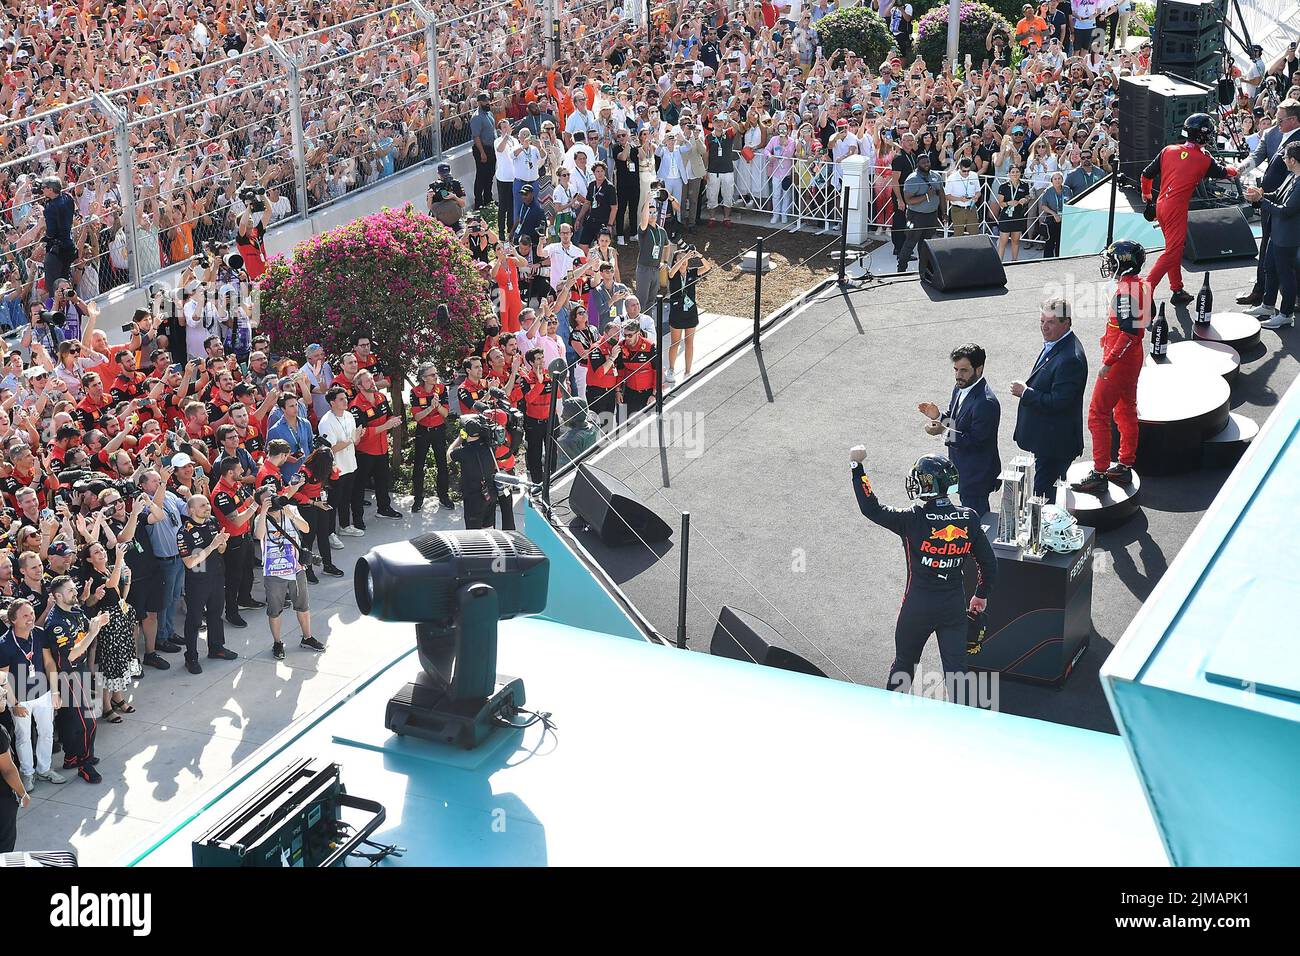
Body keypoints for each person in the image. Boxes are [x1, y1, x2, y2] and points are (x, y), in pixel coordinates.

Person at [850, 450, 996, 706]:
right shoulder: (969, 518)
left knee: (904, 665)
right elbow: (989, 563)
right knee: (957, 674)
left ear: (926, 485)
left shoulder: (911, 518)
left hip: (917, 607)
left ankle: (890, 719)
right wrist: (980, 595)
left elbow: (871, 508)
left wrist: (857, 467)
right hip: (953, 608)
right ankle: (964, 732)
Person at [1074, 242, 1151, 493]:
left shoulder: (1125, 292)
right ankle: (1125, 464)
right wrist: (1109, 337)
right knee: (1126, 409)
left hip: (1120, 362)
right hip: (1133, 358)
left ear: (1123, 262)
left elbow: (1129, 333)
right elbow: (1132, 329)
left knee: (1098, 414)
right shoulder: (1140, 284)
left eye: (1112, 260)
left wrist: (1109, 361)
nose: (1108, 264)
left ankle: (1099, 471)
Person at [1142, 113, 1239, 304]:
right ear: (1203, 135)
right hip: (1176, 209)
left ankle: (1177, 290)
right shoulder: (1204, 160)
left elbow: (1146, 175)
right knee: (1172, 252)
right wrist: (1239, 169)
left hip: (1161, 205)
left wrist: (1147, 196)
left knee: (1174, 250)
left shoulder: (1168, 150)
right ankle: (1146, 289)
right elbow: (1225, 173)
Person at [1010, 299, 1089, 496]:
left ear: (1066, 323)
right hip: (1048, 441)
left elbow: (1059, 402)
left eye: (1051, 322)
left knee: (1044, 498)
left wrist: (1026, 393)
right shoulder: (1057, 344)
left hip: (1056, 446)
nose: (1044, 327)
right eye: (1042, 321)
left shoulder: (1070, 358)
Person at [917, 344, 1002, 517]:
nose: (958, 376)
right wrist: (939, 416)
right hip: (964, 472)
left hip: (976, 477)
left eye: (964, 370)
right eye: (955, 369)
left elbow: (974, 441)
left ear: (979, 369)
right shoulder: (960, 388)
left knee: (976, 523)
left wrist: (943, 431)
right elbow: (956, 422)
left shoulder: (986, 403)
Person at [45, 574, 110, 783]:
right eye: (70, 590)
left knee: (73, 722)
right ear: (57, 596)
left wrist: (97, 623)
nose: (75, 593)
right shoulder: (55, 623)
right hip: (67, 676)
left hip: (79, 670)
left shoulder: (74, 610)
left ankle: (72, 757)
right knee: (88, 722)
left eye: (74, 588)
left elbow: (85, 630)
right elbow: (70, 654)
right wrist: (93, 632)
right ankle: (85, 763)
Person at [1237, 101, 1300, 308]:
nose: (1276, 123)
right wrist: (1241, 169)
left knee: (1289, 251)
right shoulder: (1272, 133)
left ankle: (1291, 299)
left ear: (1293, 120)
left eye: (1280, 119)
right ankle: (1262, 291)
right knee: (1267, 246)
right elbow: (1257, 155)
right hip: (1267, 199)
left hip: (1290, 201)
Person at [0, 598, 65, 795]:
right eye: (25, 615)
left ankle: (44, 769)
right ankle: (27, 773)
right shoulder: (4, 643)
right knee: (23, 736)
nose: (31, 618)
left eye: (31, 614)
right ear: (13, 620)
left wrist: (55, 691)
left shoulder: (39, 634)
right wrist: (15, 703)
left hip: (43, 693)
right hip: (20, 698)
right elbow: (3, 677)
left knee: (47, 732)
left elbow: (49, 663)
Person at [254, 486, 326, 661]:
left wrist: (290, 513)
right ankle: (277, 642)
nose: (273, 501)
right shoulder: (260, 518)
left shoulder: (290, 509)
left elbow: (307, 529)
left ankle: (307, 637)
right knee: (275, 610)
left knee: (303, 605)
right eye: (267, 499)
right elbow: (259, 535)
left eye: (273, 496)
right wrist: (263, 511)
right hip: (274, 571)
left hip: (296, 568)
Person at [1244, 142, 1300, 329]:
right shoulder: (1292, 176)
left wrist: (1261, 201)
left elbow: (1286, 211)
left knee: (1286, 276)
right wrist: (1261, 194)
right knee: (1270, 268)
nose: (1283, 159)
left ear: (1293, 160)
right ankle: (1268, 305)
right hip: (1277, 234)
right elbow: (1277, 194)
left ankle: (1286, 314)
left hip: (1288, 238)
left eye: (1285, 157)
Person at [349, 369, 403, 521]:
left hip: (382, 448)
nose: (372, 381)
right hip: (365, 452)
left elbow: (389, 414)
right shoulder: (355, 406)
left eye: (372, 379)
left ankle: (384, 508)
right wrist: (386, 426)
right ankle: (357, 519)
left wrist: (394, 420)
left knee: (383, 481)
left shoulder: (381, 396)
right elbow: (361, 432)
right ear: (359, 386)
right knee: (359, 486)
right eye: (367, 381)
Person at [317, 386, 364, 536]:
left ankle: (345, 526)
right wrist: (352, 439)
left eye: (346, 398)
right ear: (332, 402)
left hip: (351, 465)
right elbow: (329, 449)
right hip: (336, 469)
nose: (346, 401)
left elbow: (355, 442)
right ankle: (330, 534)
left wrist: (358, 436)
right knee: (333, 502)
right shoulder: (326, 422)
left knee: (346, 499)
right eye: (341, 399)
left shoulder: (349, 416)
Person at [449, 415, 507, 530]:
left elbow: (448, 454)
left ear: (465, 433)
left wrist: (460, 438)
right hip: (490, 494)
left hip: (474, 499)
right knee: (489, 529)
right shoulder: (490, 446)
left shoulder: (463, 452)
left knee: (474, 535)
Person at [409, 364, 455, 511]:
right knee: (419, 465)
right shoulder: (415, 392)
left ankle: (444, 496)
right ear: (423, 378)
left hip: (438, 430)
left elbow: (445, 413)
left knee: (442, 463)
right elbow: (417, 416)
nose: (436, 377)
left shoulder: (441, 389)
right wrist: (430, 407)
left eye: (436, 374)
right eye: (432, 375)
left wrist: (437, 406)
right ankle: (418, 498)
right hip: (423, 430)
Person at [898, 152, 945, 273]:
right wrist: (926, 196)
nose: (926, 164)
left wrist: (944, 213)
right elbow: (908, 200)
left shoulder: (936, 176)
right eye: (923, 162)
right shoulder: (912, 179)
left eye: (928, 162)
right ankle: (901, 268)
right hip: (916, 216)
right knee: (910, 243)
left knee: (925, 245)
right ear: (918, 164)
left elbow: (942, 195)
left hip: (931, 215)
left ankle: (924, 271)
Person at [41, 176, 77, 291]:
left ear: (51, 189)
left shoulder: (50, 208)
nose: (42, 190)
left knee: (54, 285)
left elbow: (51, 232)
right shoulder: (68, 197)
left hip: (57, 250)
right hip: (69, 244)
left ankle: (57, 305)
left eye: (44, 188)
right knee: (65, 279)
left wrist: (45, 238)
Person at [0, 717, 30, 851]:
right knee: (4, 847)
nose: (4, 701)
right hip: (2, 801)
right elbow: (7, 770)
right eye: (1, 697)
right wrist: (22, 793)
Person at [995, 165, 1032, 262]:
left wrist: (1026, 199)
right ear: (1009, 174)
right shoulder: (1003, 186)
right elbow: (1001, 203)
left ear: (1020, 173)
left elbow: (1028, 197)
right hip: (1006, 217)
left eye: (1017, 172)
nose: (1015, 174)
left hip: (1018, 216)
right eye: (1013, 172)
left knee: (1015, 241)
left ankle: (1014, 261)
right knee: (1003, 241)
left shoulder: (1024, 185)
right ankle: (1000, 263)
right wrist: (1008, 203)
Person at [944, 157, 981, 237]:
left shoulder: (974, 175)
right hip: (957, 209)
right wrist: (960, 199)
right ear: (959, 168)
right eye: (964, 171)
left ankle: (974, 250)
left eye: (968, 171)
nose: (966, 173)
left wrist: (976, 196)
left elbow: (978, 191)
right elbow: (947, 196)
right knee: (958, 234)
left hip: (971, 208)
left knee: (975, 234)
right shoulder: (952, 178)